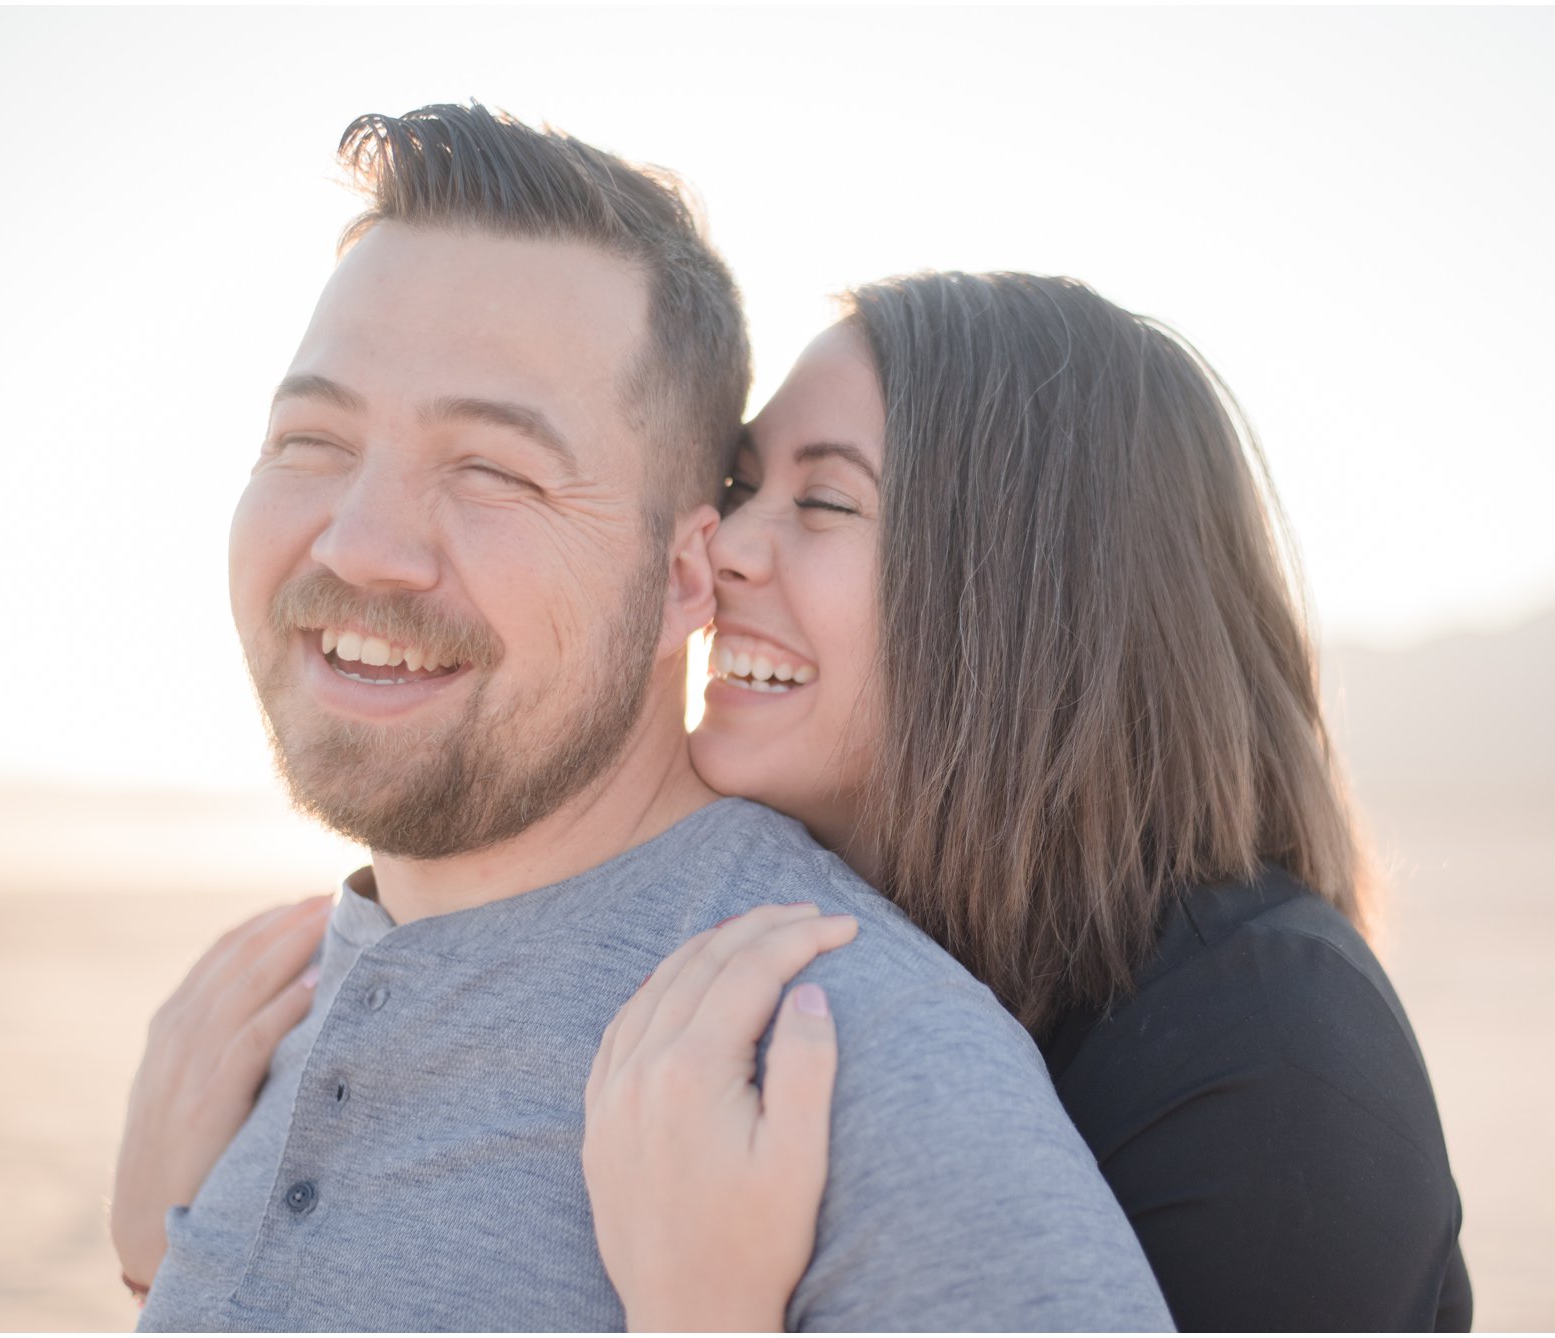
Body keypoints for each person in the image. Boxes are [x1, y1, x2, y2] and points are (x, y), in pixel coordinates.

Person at [111, 104, 1173, 1332]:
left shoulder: (847, 1066)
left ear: (684, 577)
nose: (360, 544)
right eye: (311, 438)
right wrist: (154, 1272)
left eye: (493, 469)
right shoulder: (258, 1025)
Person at [584, 273, 1473, 1330]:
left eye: (823, 501)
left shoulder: (1269, 1059)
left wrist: (703, 1312)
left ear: (1024, 592)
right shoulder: (818, 935)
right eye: (738, 489)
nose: (723, 545)